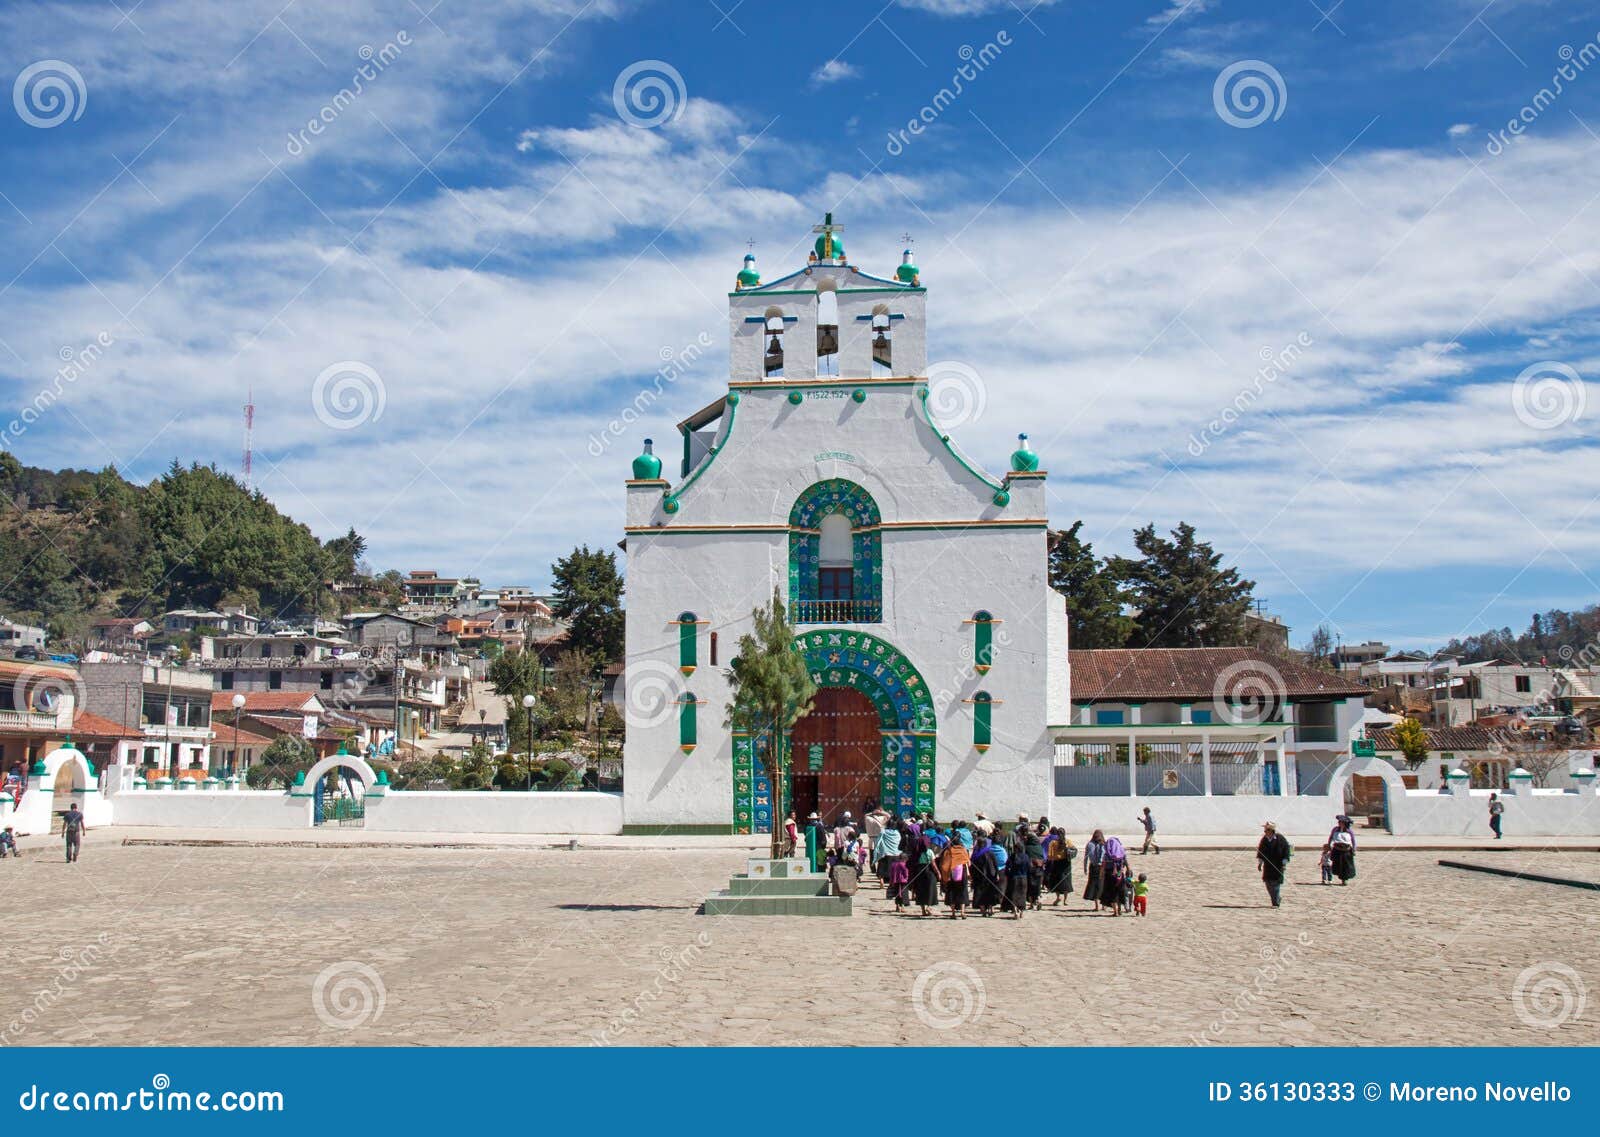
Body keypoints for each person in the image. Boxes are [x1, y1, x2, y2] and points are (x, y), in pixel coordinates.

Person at [1256, 821, 1292, 908]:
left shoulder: (1280, 839)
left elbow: (1286, 850)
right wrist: (1260, 863)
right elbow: (1261, 851)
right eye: (1265, 830)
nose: (1265, 832)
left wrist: (1284, 863)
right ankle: (1277, 898)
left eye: (1267, 830)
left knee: (1275, 883)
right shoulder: (1264, 839)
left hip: (1278, 865)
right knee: (1268, 883)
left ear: (1271, 830)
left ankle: (1275, 903)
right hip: (1268, 865)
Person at [937, 831, 972, 918]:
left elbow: (944, 864)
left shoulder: (948, 851)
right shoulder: (963, 849)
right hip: (962, 873)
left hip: (950, 874)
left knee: (952, 892)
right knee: (963, 892)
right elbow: (968, 862)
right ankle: (962, 912)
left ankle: (953, 913)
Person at [908, 830, 941, 917]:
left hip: (919, 872)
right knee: (931, 889)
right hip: (928, 871)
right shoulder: (929, 852)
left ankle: (923, 910)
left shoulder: (916, 852)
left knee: (920, 891)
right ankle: (929, 906)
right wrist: (938, 873)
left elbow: (912, 863)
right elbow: (933, 864)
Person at [1045, 828, 1076, 904]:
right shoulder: (1068, 842)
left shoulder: (1053, 843)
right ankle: (1066, 900)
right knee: (1066, 880)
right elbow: (1073, 850)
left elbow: (1049, 855)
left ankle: (1058, 898)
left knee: (1057, 880)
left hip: (1057, 863)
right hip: (1066, 863)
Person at [1082, 829, 1107, 910]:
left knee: (1095, 885)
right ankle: (1103, 905)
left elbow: (1085, 858)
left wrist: (1085, 867)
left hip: (1093, 867)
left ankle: (1097, 906)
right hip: (1101, 867)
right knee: (1101, 885)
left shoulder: (1090, 844)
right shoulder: (1104, 844)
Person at [1327, 818, 1356, 885]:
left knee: (1346, 865)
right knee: (1339, 865)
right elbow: (1331, 837)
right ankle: (1340, 878)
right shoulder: (1335, 829)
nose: (1339, 823)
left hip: (1346, 850)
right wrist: (1329, 845)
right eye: (1339, 822)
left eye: (1341, 822)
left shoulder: (1349, 831)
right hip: (1337, 850)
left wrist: (1354, 849)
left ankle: (1345, 879)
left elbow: (1353, 840)